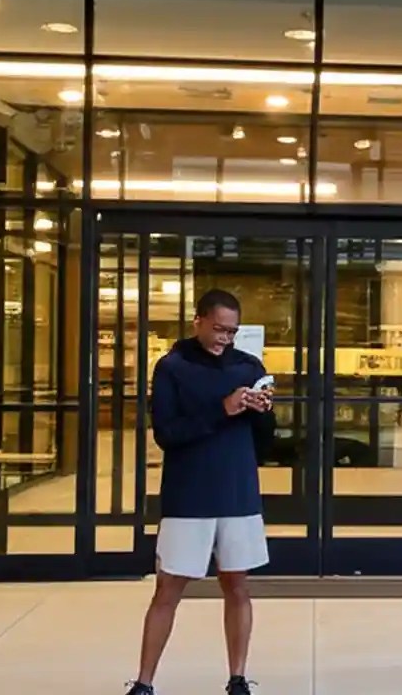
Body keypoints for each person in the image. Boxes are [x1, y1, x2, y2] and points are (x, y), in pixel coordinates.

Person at [125, 289, 275, 695]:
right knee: (168, 589)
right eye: (220, 329)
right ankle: (144, 682)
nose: (226, 337)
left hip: (237, 491)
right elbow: (168, 435)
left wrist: (264, 412)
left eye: (233, 331)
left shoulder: (248, 366)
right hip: (188, 495)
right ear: (199, 321)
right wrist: (221, 410)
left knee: (237, 586)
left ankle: (238, 678)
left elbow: (266, 440)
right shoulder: (173, 367)